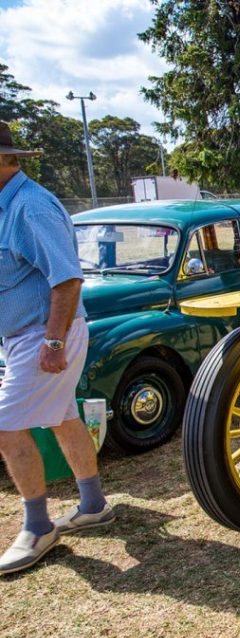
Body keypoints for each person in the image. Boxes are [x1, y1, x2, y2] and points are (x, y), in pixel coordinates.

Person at [0, 121, 113, 576]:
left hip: (43, 334)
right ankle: (92, 503)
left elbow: (67, 279)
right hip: (24, 335)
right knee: (64, 417)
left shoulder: (29, 207)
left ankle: (38, 524)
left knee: (6, 428)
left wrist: (52, 340)